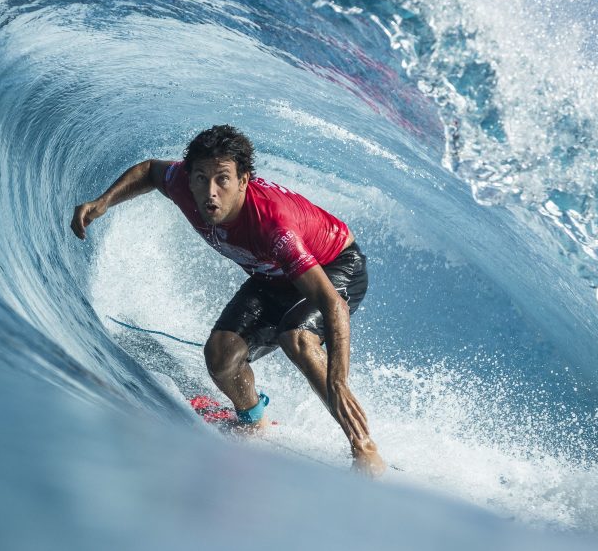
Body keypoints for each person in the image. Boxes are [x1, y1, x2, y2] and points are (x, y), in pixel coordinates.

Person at [70, 124, 386, 477]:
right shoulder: (183, 185)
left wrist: (338, 381)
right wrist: (102, 202)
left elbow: (333, 305)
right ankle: (253, 422)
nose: (211, 192)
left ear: (243, 181)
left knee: (297, 337)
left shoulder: (274, 226)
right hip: (273, 275)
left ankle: (364, 448)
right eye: (201, 178)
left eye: (223, 179)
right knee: (221, 357)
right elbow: (150, 171)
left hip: (335, 265)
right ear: (188, 178)